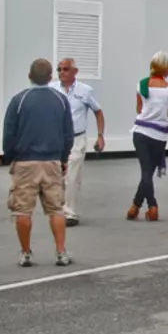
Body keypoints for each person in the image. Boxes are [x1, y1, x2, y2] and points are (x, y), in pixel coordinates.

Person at [3, 59, 74, 267]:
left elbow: (9, 132)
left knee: (22, 210)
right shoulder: (61, 100)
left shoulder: (19, 100)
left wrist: (10, 156)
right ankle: (61, 252)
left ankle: (25, 253)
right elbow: (67, 134)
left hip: (25, 161)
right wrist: (63, 158)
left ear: (29, 76)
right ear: (51, 76)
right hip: (51, 160)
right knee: (56, 209)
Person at [47, 59, 104, 228]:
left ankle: (70, 212)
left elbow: (98, 112)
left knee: (72, 175)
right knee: (56, 175)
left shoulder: (85, 91)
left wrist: (100, 135)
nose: (61, 72)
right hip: (56, 138)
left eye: (65, 69)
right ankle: (59, 208)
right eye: (59, 69)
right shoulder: (52, 89)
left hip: (76, 138)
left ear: (74, 72)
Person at [128, 52, 168, 222]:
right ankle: (150, 206)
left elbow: (138, 109)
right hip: (160, 135)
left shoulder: (141, 85)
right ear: (166, 69)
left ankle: (137, 206)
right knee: (148, 172)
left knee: (145, 172)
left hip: (141, 132)